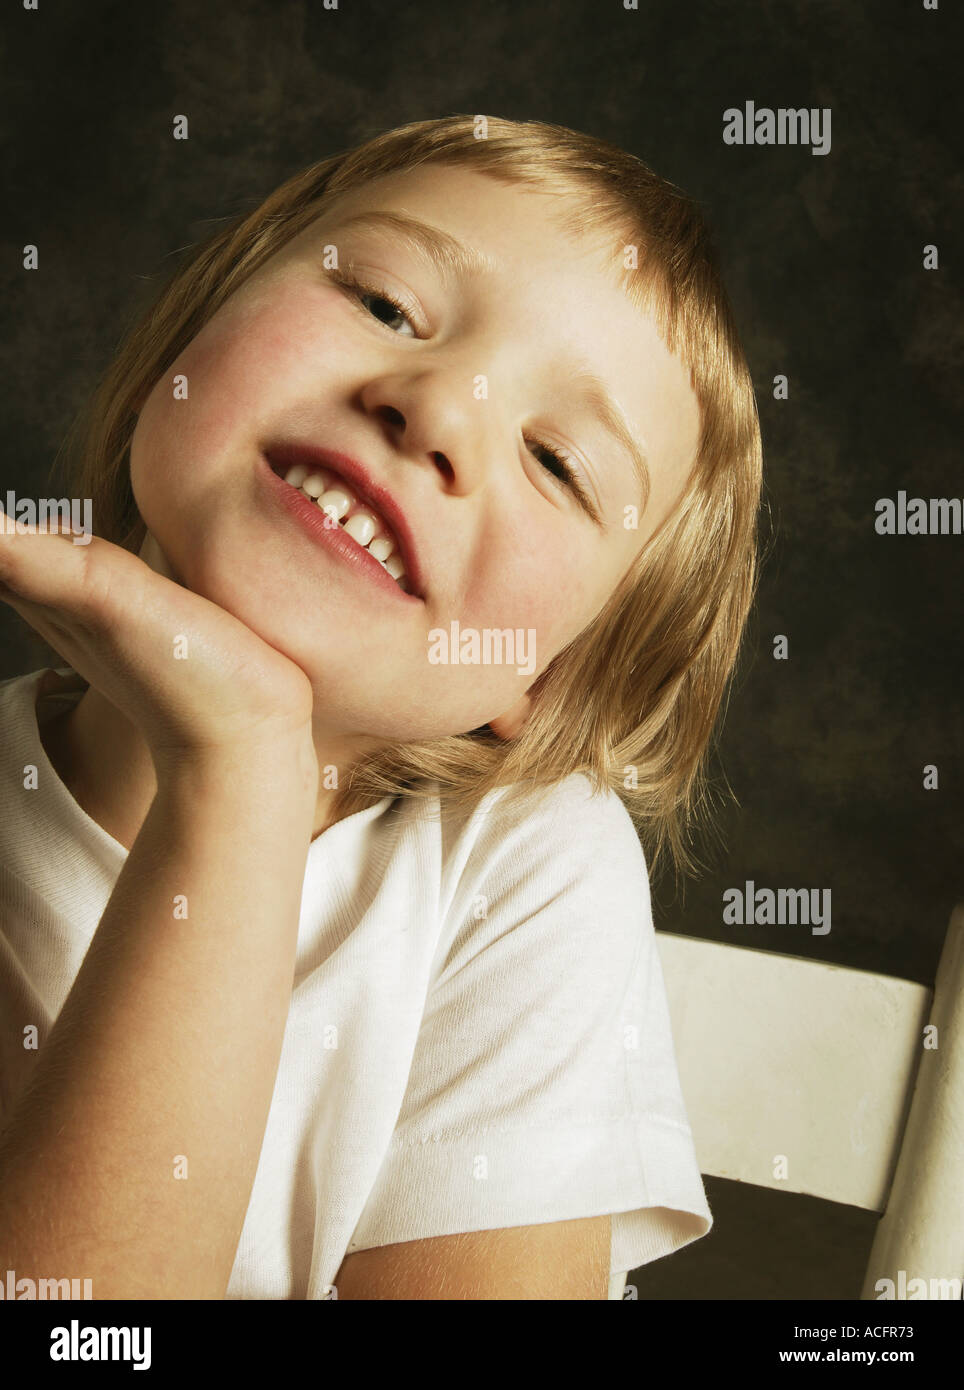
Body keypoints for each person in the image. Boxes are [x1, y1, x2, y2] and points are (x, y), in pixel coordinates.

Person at [0, 113, 762, 1300]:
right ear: (186, 347)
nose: (436, 409)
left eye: (556, 461)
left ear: (540, 683)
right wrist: (234, 765)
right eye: (385, 305)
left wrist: (239, 758)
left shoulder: (524, 870)